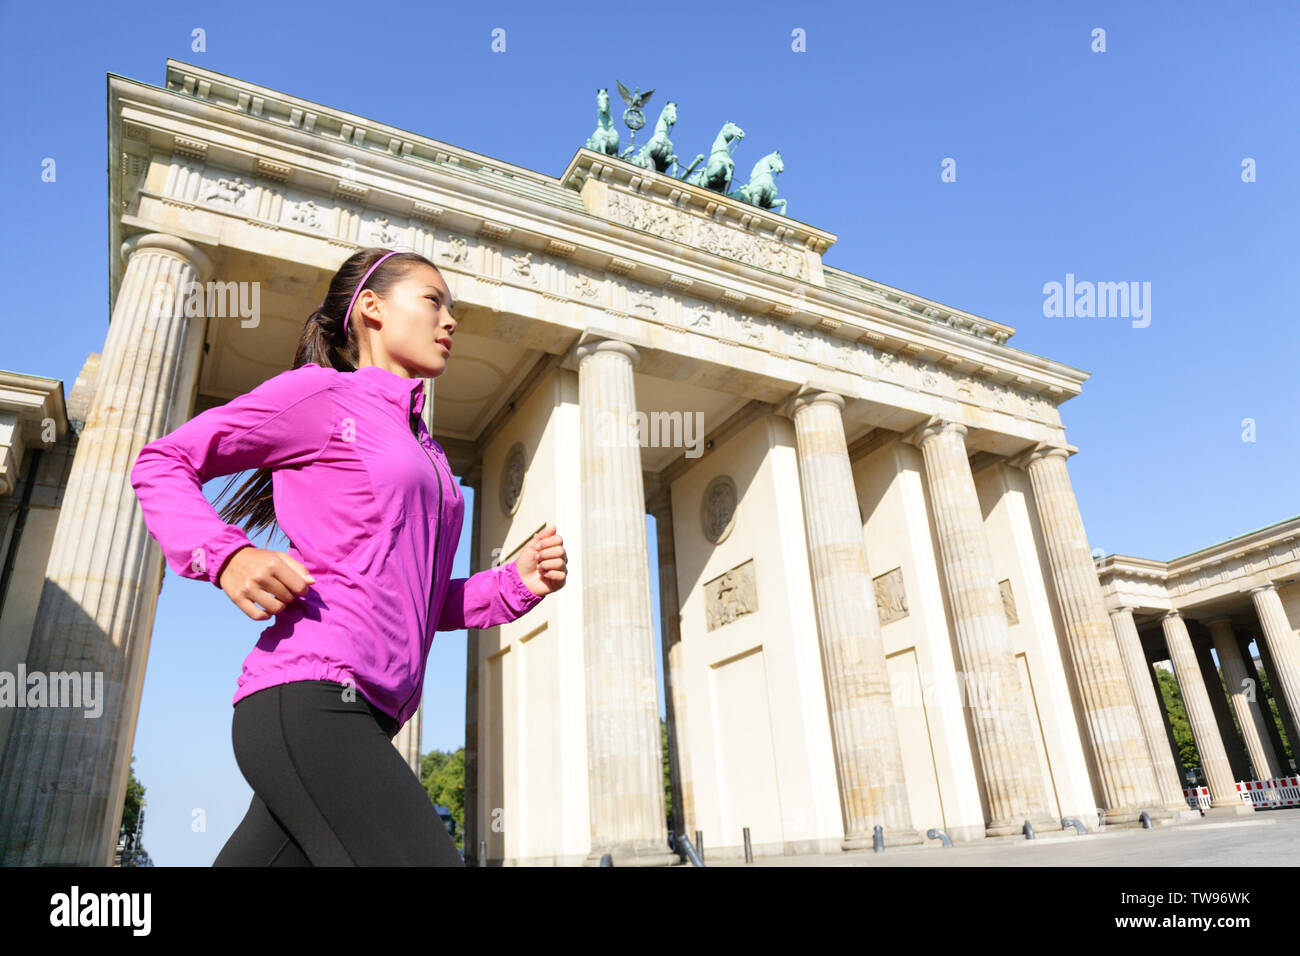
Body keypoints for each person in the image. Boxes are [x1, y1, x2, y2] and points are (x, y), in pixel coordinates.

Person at [129, 246, 567, 865]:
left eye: (453, 309)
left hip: (367, 714)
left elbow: (411, 595)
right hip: (310, 696)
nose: (450, 321)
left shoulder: (431, 454)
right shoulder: (321, 396)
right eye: (433, 301)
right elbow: (162, 462)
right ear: (371, 308)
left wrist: (510, 583)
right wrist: (225, 556)